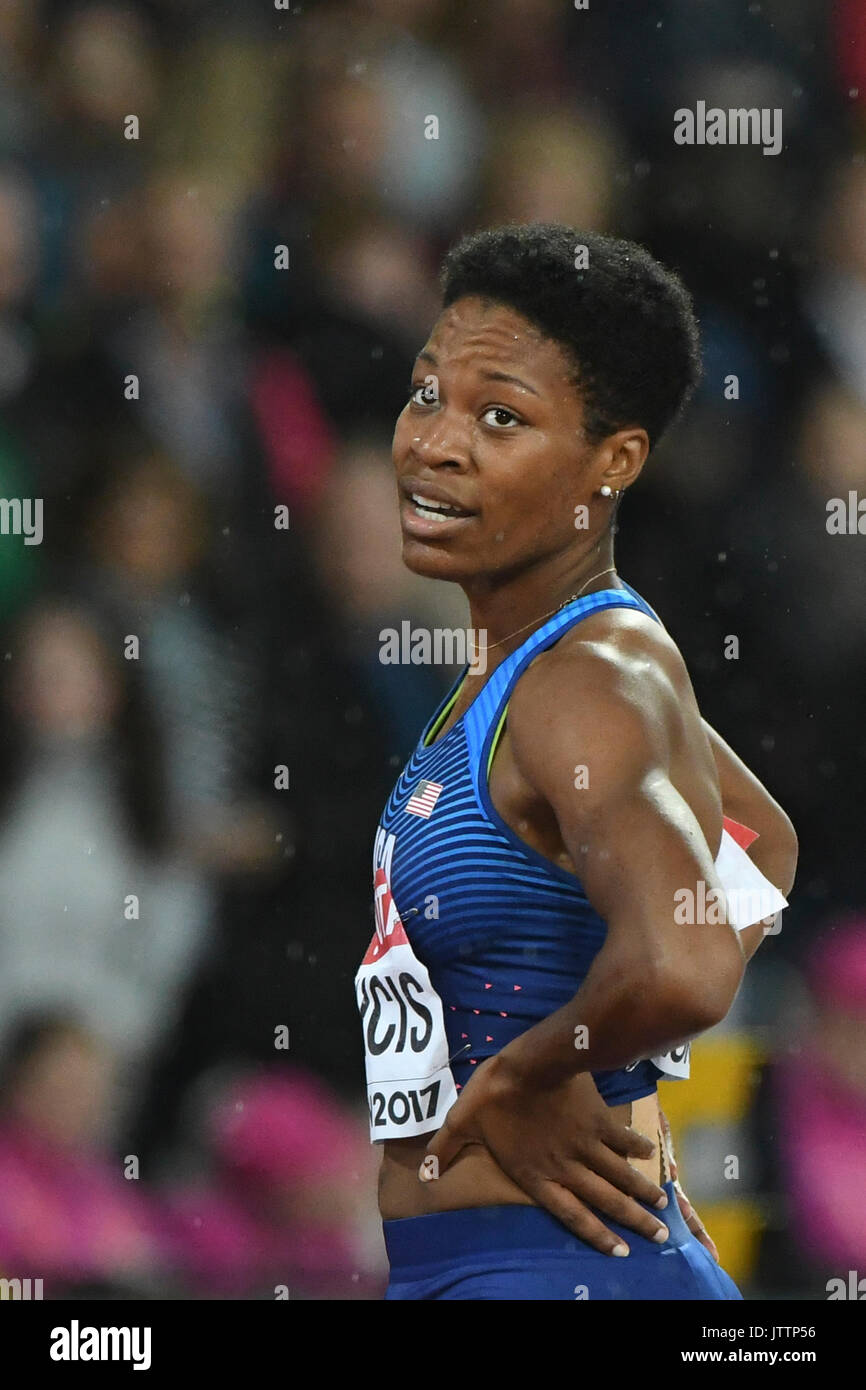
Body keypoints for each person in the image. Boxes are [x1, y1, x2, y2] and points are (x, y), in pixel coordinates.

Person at [354, 223, 798, 1300]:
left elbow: (683, 960)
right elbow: (760, 846)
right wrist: (609, 1067)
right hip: (494, 1266)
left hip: (558, 1270)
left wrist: (532, 1069)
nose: (434, 443)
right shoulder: (530, 662)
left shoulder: (586, 676)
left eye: (498, 416)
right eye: (427, 396)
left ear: (614, 462)